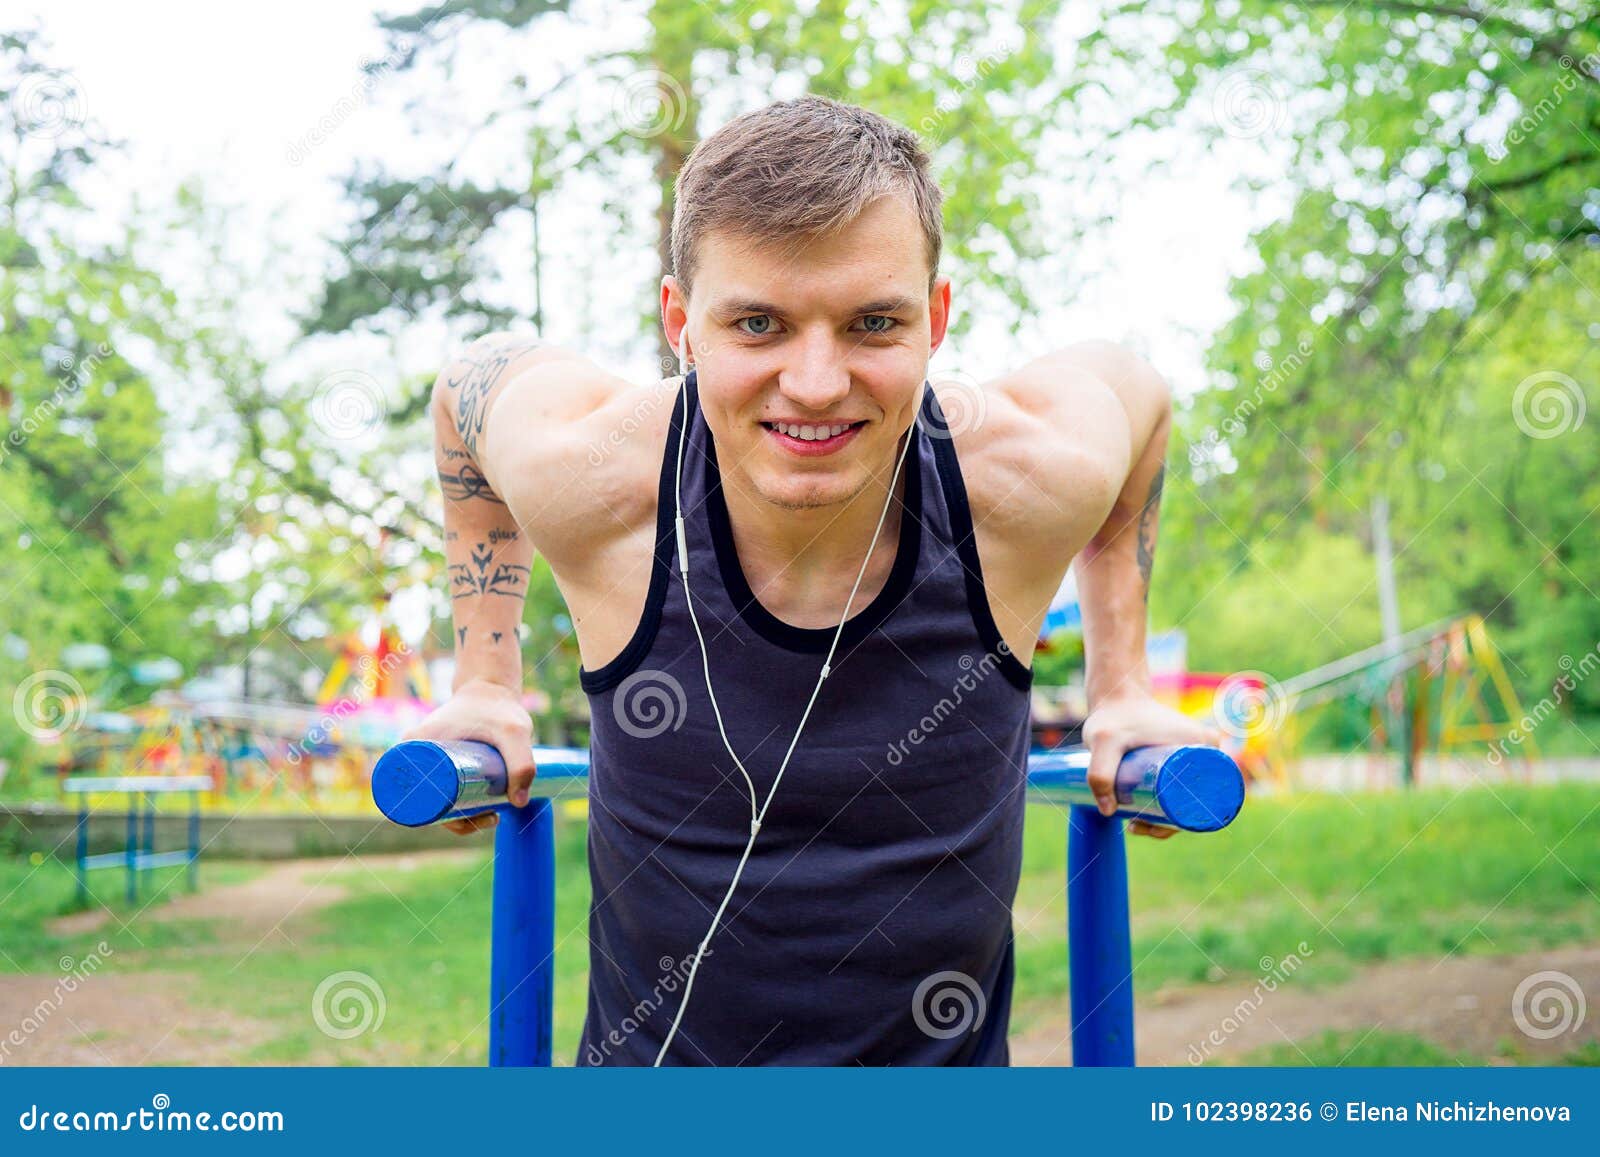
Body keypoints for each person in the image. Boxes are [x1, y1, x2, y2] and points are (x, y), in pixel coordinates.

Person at [403, 94, 1217, 1065]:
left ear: (935, 319)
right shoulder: (597, 482)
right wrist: (485, 683)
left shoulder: (1018, 481)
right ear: (681, 323)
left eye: (873, 323)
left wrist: (1123, 689)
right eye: (758, 324)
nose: (818, 383)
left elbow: (1137, 392)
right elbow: (467, 385)